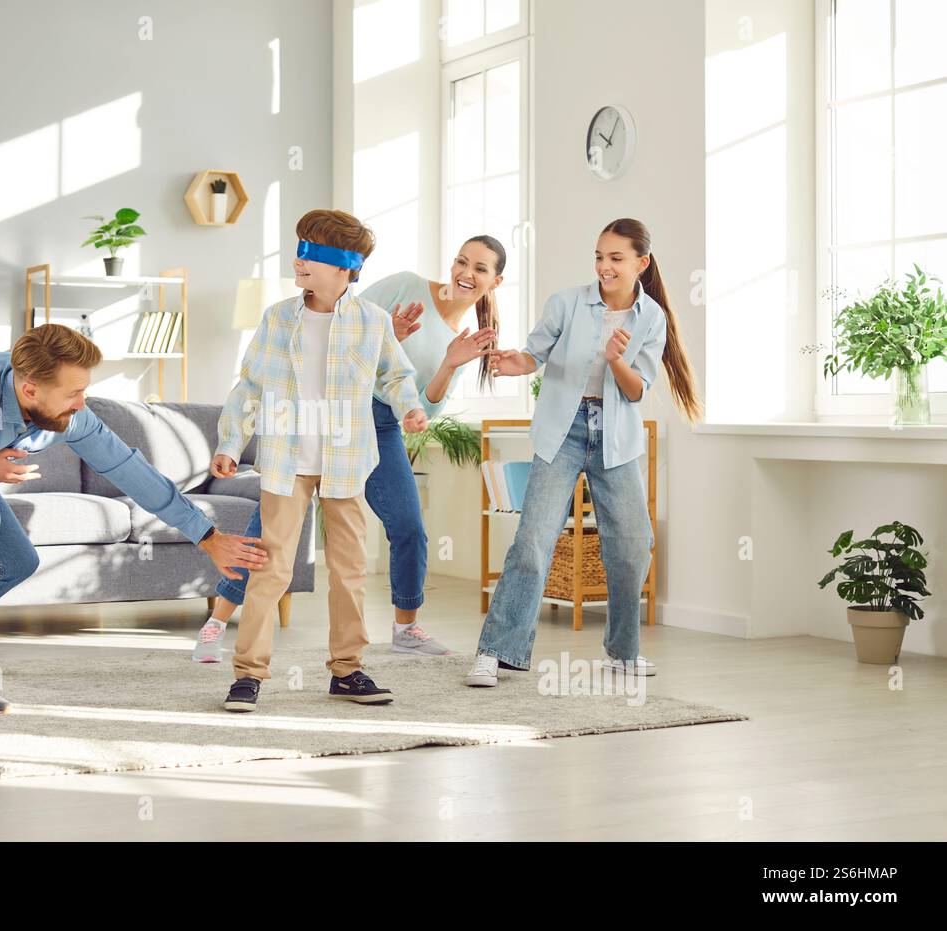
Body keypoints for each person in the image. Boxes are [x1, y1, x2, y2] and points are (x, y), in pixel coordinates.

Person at [0, 324, 267, 713]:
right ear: (30, 390)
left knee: (17, 560)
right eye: (73, 393)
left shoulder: (67, 414)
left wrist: (207, 536)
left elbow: (128, 468)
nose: (82, 403)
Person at [192, 236, 502, 662]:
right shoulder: (406, 285)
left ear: (495, 281)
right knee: (268, 529)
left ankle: (405, 627)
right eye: (462, 261)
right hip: (335, 411)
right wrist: (385, 335)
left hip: (383, 425)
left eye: (480, 268)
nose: (467, 273)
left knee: (409, 526)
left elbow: (423, 402)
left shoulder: (465, 339)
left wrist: (449, 363)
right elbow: (337, 319)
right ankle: (216, 622)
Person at [466, 218, 701, 687]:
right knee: (533, 541)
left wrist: (616, 359)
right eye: (599, 256)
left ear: (642, 263)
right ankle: (496, 651)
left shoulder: (651, 318)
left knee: (634, 545)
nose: (604, 266)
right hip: (562, 430)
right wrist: (517, 364)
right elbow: (534, 354)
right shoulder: (568, 303)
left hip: (616, 436)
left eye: (616, 258)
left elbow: (636, 393)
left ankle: (621, 652)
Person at [210, 208, 427, 712]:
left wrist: (410, 406)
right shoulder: (278, 319)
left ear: (344, 266)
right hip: (286, 463)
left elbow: (395, 376)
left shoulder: (372, 323)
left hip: (347, 463)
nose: (299, 260)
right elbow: (250, 387)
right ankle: (249, 674)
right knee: (271, 570)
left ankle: (347, 670)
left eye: (311, 251)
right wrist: (228, 444)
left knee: (350, 569)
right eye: (299, 248)